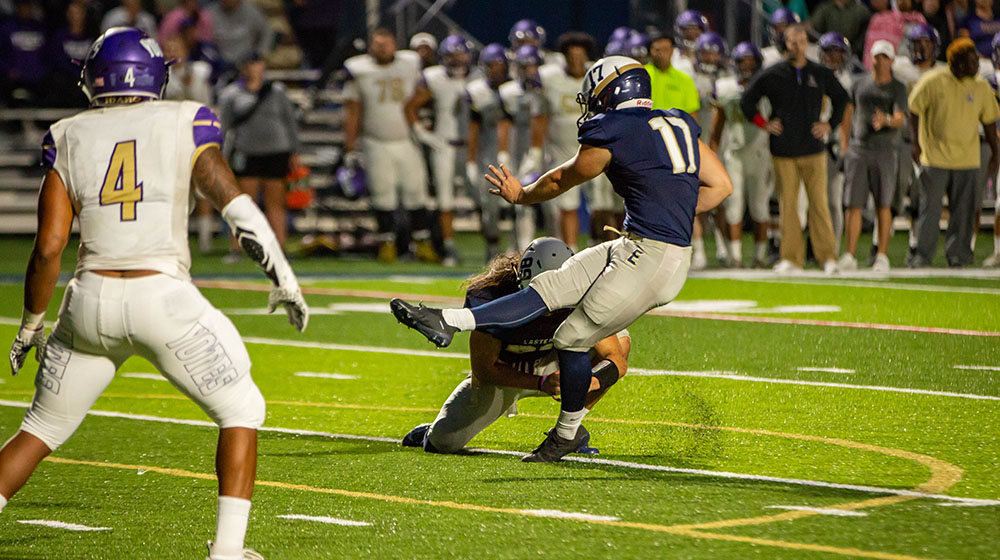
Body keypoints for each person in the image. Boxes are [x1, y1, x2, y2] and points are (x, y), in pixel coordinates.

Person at [0, 28, 308, 560]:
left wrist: (31, 323)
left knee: (40, 428)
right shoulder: (186, 119)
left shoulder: (68, 132)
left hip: (88, 299)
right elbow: (232, 204)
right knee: (240, 407)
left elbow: (49, 247)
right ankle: (228, 552)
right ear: (154, 76)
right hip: (162, 297)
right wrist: (282, 277)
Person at [390, 55, 733, 462]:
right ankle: (447, 321)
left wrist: (521, 195)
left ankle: (566, 434)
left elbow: (561, 178)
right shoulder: (677, 122)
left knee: (570, 337)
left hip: (653, 255)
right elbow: (721, 186)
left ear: (612, 91)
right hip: (639, 244)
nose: (590, 104)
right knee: (552, 285)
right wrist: (670, 211)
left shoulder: (615, 129)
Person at [401, 238, 630, 455]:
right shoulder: (491, 295)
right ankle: (432, 431)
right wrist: (540, 383)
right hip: (505, 375)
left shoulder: (583, 290)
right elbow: (484, 369)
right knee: (442, 442)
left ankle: (570, 430)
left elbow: (615, 357)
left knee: (621, 338)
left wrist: (593, 379)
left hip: (556, 363)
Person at [741, 24, 848, 274]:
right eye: (792, 41)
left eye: (801, 40)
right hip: (783, 150)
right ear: (784, 43)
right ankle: (791, 258)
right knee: (788, 205)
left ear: (806, 43)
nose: (797, 45)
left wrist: (829, 125)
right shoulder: (773, 73)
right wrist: (764, 124)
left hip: (814, 149)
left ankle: (828, 257)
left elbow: (842, 98)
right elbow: (747, 101)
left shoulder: (819, 72)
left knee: (819, 204)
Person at [343, 28, 436, 263]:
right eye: (377, 44)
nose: (382, 48)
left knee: (417, 192)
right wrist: (349, 147)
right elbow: (353, 111)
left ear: (395, 44)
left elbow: (427, 86)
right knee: (383, 196)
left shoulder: (410, 62)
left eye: (386, 43)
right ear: (370, 46)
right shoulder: (359, 70)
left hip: (407, 139)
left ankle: (422, 243)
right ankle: (387, 243)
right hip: (375, 141)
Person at [908, 38, 1000, 267]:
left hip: (967, 158)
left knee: (964, 212)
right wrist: (915, 145)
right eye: (972, 61)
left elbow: (989, 122)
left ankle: (959, 255)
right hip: (935, 157)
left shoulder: (980, 87)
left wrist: (996, 153)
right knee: (931, 210)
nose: (977, 65)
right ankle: (922, 256)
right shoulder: (933, 80)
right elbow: (914, 109)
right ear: (957, 62)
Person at [538, 32, 618, 247]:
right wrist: (536, 151)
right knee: (567, 204)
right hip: (562, 151)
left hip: (594, 147)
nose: (575, 60)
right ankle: (571, 250)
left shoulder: (598, 78)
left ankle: (602, 246)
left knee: (602, 204)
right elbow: (541, 116)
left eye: (579, 55)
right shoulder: (551, 80)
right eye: (571, 55)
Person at [218, 52, 299, 252]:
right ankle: (238, 247)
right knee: (244, 203)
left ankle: (280, 246)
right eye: (248, 64)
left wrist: (294, 151)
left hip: (276, 151)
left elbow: (290, 122)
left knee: (276, 202)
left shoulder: (276, 91)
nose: (252, 68)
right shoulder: (231, 94)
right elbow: (225, 126)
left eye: (256, 64)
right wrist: (222, 154)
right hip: (247, 151)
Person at [404, 34, 473, 267]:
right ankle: (449, 248)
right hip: (444, 144)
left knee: (484, 196)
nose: (457, 60)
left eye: (460, 54)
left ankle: (493, 247)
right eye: (452, 55)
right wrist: (423, 135)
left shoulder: (479, 78)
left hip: (472, 147)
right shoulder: (435, 78)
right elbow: (410, 106)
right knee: (445, 200)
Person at [839, 40, 908, 272]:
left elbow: (901, 118)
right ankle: (849, 254)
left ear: (892, 60)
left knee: (883, 204)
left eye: (884, 57)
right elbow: (848, 114)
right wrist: (845, 145)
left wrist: (886, 120)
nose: (880, 61)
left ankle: (882, 255)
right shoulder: (859, 84)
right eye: (877, 56)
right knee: (853, 204)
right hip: (859, 149)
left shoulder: (898, 87)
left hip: (885, 150)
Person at [711, 41, 773, 268]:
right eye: (742, 61)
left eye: (750, 62)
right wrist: (712, 152)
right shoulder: (726, 88)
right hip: (735, 154)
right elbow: (719, 125)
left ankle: (760, 256)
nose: (746, 66)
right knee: (733, 206)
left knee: (759, 206)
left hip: (760, 152)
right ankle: (735, 256)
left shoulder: (768, 87)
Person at [894, 24, 945, 257]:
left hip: (933, 142)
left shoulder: (944, 72)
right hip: (902, 139)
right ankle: (882, 245)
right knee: (894, 195)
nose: (922, 48)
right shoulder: (900, 68)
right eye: (917, 43)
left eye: (926, 43)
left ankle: (917, 244)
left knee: (922, 196)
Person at [465, 43, 513, 262]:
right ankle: (493, 247)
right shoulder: (477, 90)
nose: (495, 69)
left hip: (515, 151)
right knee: (489, 205)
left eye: (498, 64)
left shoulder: (515, 88)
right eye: (490, 65)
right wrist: (470, 160)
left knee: (521, 205)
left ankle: (517, 247)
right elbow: (473, 126)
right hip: (489, 153)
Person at [500, 44, 547, 251]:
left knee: (554, 205)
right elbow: (505, 122)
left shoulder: (550, 85)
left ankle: (564, 249)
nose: (528, 71)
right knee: (522, 201)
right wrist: (504, 152)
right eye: (524, 66)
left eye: (532, 66)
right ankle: (522, 249)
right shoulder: (508, 91)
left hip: (549, 148)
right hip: (521, 148)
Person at [819, 31, 855, 255]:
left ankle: (834, 249)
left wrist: (844, 145)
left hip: (834, 145)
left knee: (834, 200)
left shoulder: (848, 81)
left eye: (837, 52)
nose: (833, 57)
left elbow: (849, 115)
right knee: (813, 202)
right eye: (829, 52)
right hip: (813, 144)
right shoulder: (814, 76)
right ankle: (816, 248)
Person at [645, 31, 700, 121]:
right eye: (657, 50)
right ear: (650, 51)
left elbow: (692, 114)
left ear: (672, 51)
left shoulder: (685, 80)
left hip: (676, 133)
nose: (662, 54)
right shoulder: (641, 75)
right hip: (647, 131)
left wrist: (696, 134)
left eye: (666, 49)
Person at [205, 0, 274, 70]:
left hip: (245, 61)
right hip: (217, 62)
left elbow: (267, 32)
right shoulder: (209, 12)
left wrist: (259, 52)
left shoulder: (252, 11)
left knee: (257, 67)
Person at [862, 0, 926, 69]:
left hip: (912, 67)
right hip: (886, 67)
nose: (902, 2)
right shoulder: (880, 19)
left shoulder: (919, 22)